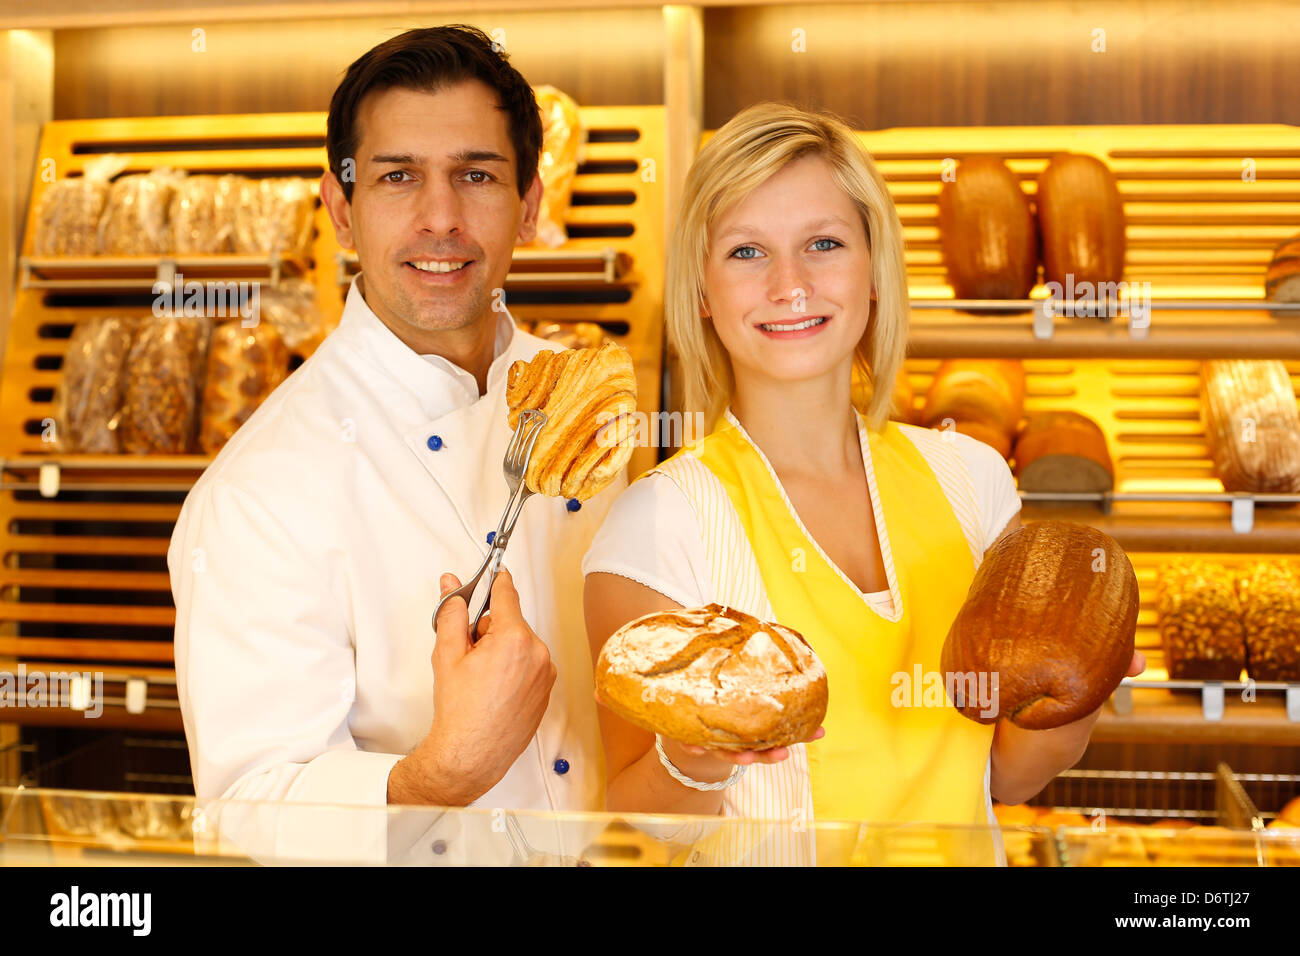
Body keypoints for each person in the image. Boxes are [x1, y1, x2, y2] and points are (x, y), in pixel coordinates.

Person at [582, 102, 1144, 865]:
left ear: (874, 270)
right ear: (704, 291)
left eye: (823, 243)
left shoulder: (970, 480)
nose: (791, 285)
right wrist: (706, 753)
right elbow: (637, 824)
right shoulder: (657, 523)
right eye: (748, 252)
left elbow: (1008, 772)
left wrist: (1082, 690)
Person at [168, 26, 623, 861]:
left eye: (476, 175)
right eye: (398, 177)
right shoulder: (260, 490)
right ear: (341, 209)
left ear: (529, 205)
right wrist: (439, 776)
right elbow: (248, 805)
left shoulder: (590, 406)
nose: (440, 218)